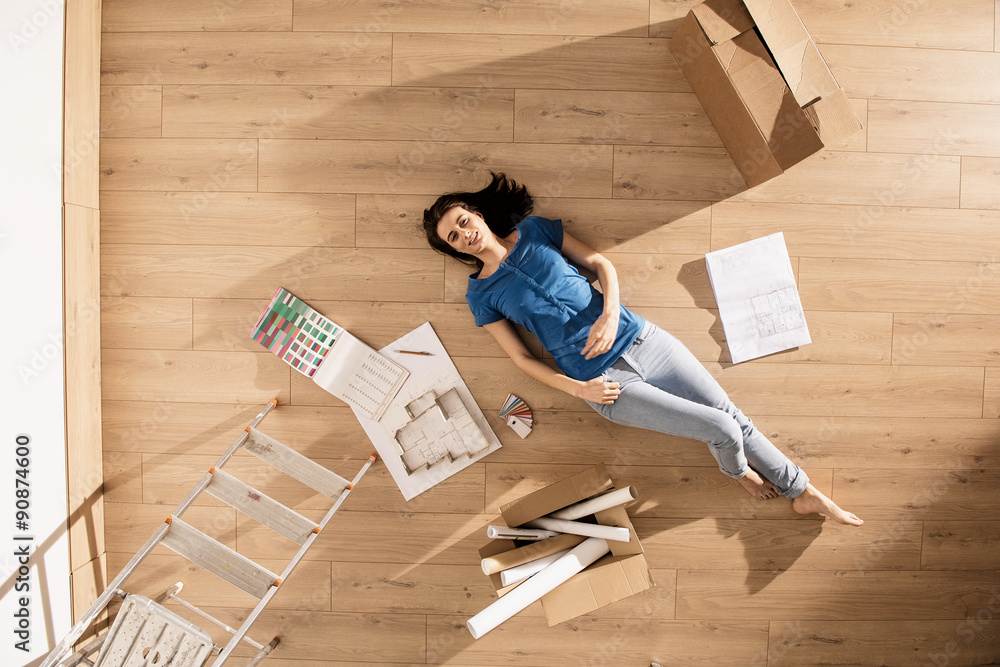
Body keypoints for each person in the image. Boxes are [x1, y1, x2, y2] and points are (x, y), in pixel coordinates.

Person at [423, 173, 862, 526]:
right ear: (453, 250)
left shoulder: (535, 231)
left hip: (644, 338)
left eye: (463, 222)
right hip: (602, 382)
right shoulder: (481, 295)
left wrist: (610, 313)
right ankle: (739, 472)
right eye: (454, 238)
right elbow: (521, 359)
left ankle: (804, 492)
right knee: (723, 429)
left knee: (734, 418)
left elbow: (600, 264)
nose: (464, 234)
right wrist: (580, 390)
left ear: (476, 214)